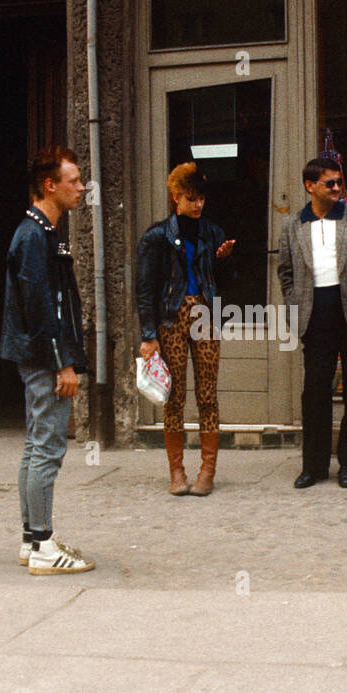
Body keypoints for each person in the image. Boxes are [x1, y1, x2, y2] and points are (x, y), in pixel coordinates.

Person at [0, 146, 95, 574]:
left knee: (36, 446)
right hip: (44, 358)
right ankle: (41, 544)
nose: (81, 187)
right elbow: (42, 308)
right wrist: (63, 364)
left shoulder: (40, 232)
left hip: (38, 355)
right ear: (49, 185)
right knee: (47, 449)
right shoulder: (35, 235)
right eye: (74, 180)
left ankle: (31, 539)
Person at [277, 157, 347, 489]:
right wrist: (293, 302)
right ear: (310, 186)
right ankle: (313, 466)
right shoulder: (292, 225)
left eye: (340, 182)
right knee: (315, 393)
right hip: (315, 317)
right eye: (330, 183)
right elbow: (285, 272)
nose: (338, 188)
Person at [136, 163, 235, 496]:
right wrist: (149, 335)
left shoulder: (213, 233)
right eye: (191, 198)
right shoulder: (156, 237)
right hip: (171, 318)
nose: (198, 205)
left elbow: (227, 282)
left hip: (206, 314)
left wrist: (224, 260)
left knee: (207, 394)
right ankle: (176, 472)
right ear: (175, 197)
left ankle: (207, 472)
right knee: (173, 397)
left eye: (202, 199)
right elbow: (145, 288)